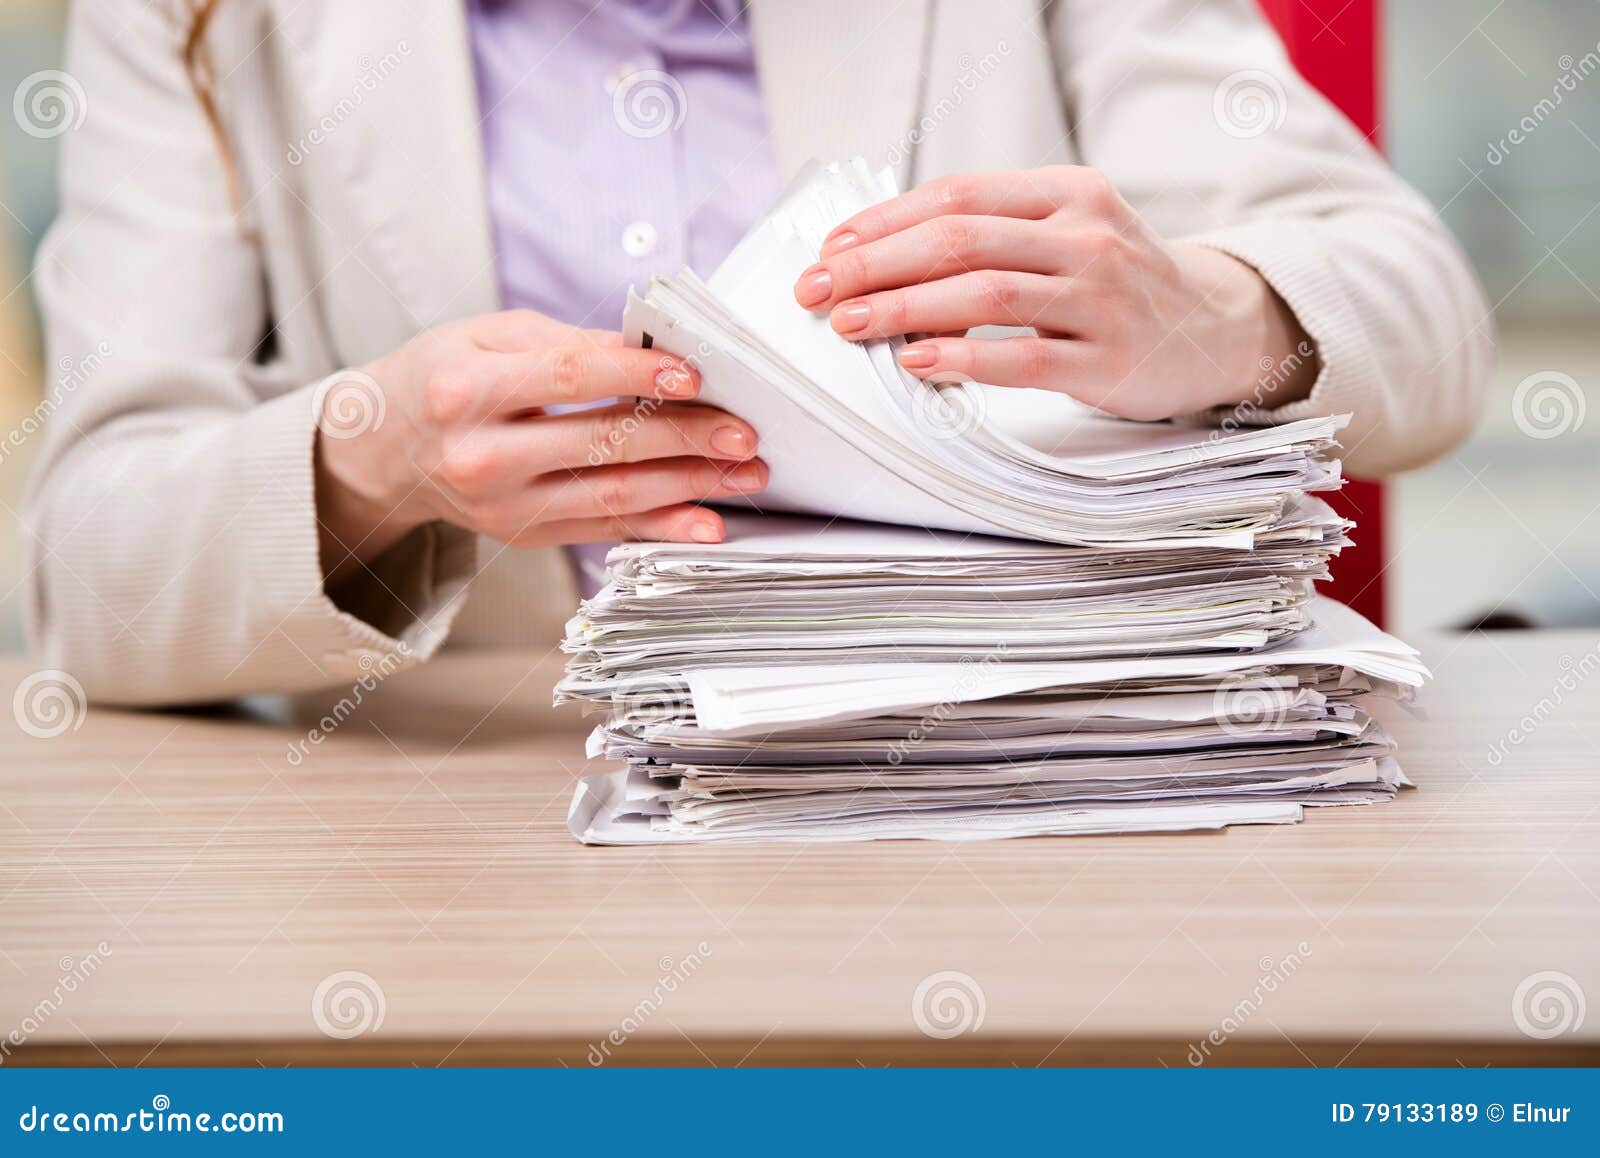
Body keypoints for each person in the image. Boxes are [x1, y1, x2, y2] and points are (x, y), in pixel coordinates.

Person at [24, 0, 1492, 705]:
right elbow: (90, 571)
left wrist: (1211, 312)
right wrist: (376, 459)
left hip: (1019, 783)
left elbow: (1422, 307)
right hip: (478, 856)